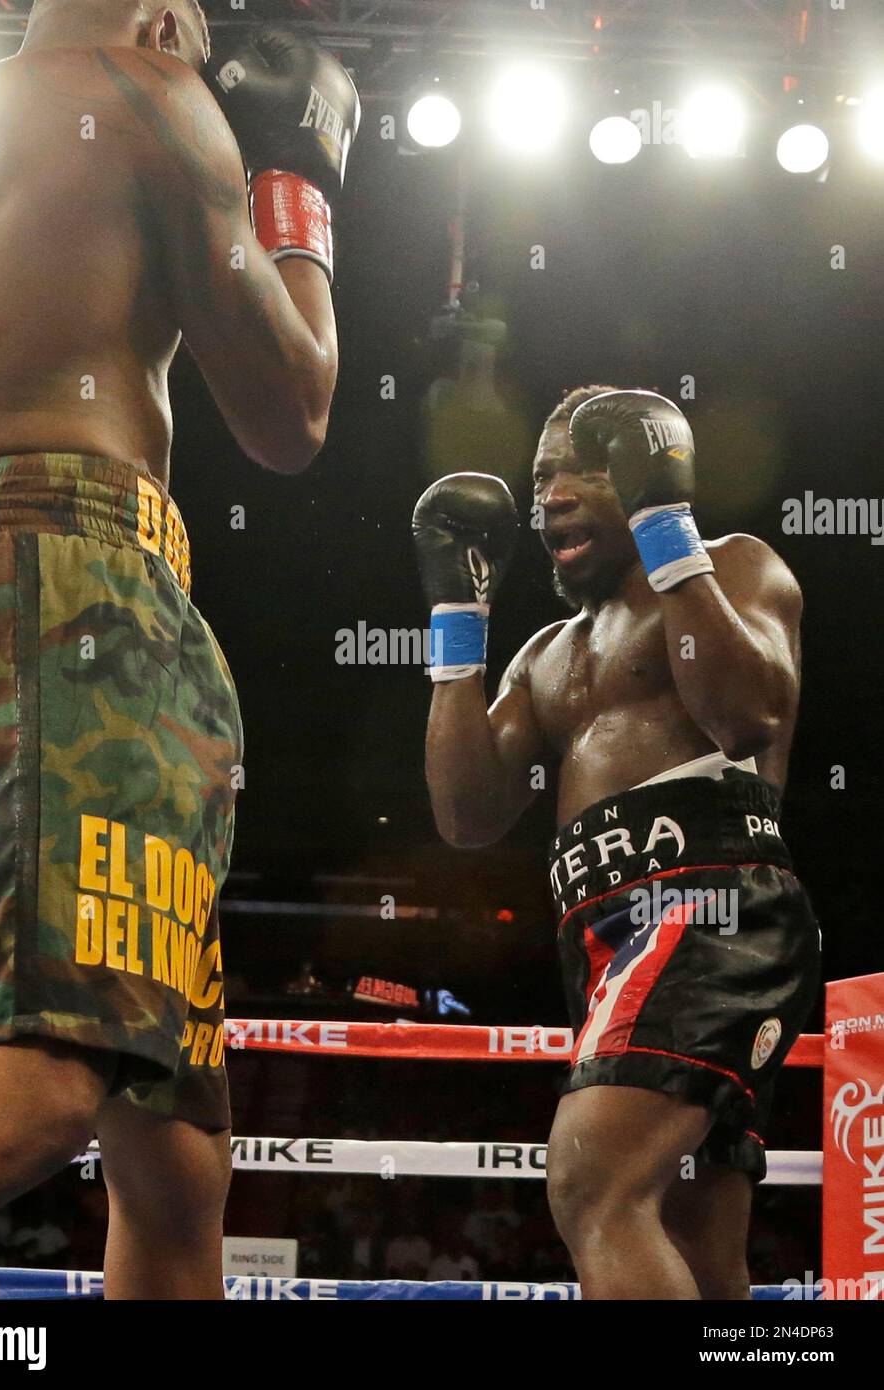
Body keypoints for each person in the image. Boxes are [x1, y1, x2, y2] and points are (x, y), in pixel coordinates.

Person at [0, 0, 358, 1299]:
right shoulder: (152, 94)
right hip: (71, 588)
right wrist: (300, 183)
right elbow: (294, 406)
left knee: (173, 1158)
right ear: (165, 11)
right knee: (36, 1086)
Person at [413, 386, 821, 1299]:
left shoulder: (735, 568)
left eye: (579, 468)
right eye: (539, 477)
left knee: (591, 1182)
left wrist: (667, 524)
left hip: (708, 905)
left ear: (642, 475)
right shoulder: (542, 655)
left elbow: (745, 714)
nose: (548, 492)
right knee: (697, 1244)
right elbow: (465, 816)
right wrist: (457, 619)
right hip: (598, 938)